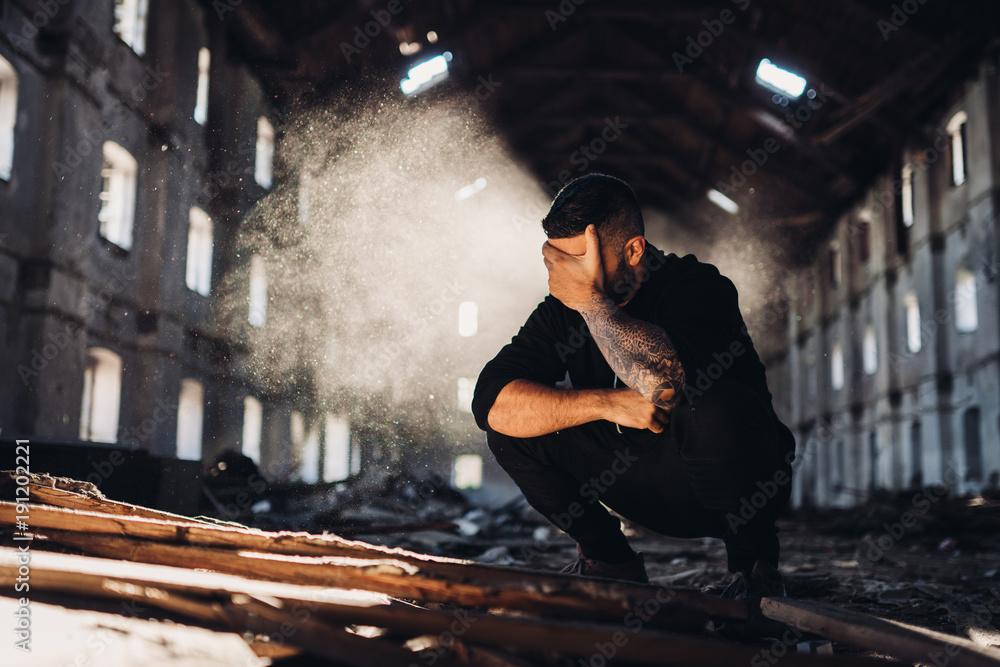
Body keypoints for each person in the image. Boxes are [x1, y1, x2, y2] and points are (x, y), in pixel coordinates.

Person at [472, 174, 795, 600]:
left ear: (633, 249)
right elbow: (490, 402)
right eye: (557, 261)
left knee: (713, 406)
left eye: (579, 262)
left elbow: (664, 385)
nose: (565, 277)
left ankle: (753, 568)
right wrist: (606, 404)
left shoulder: (700, 287)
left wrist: (591, 303)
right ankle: (610, 560)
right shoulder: (560, 310)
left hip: (731, 488)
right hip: (639, 484)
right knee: (514, 426)